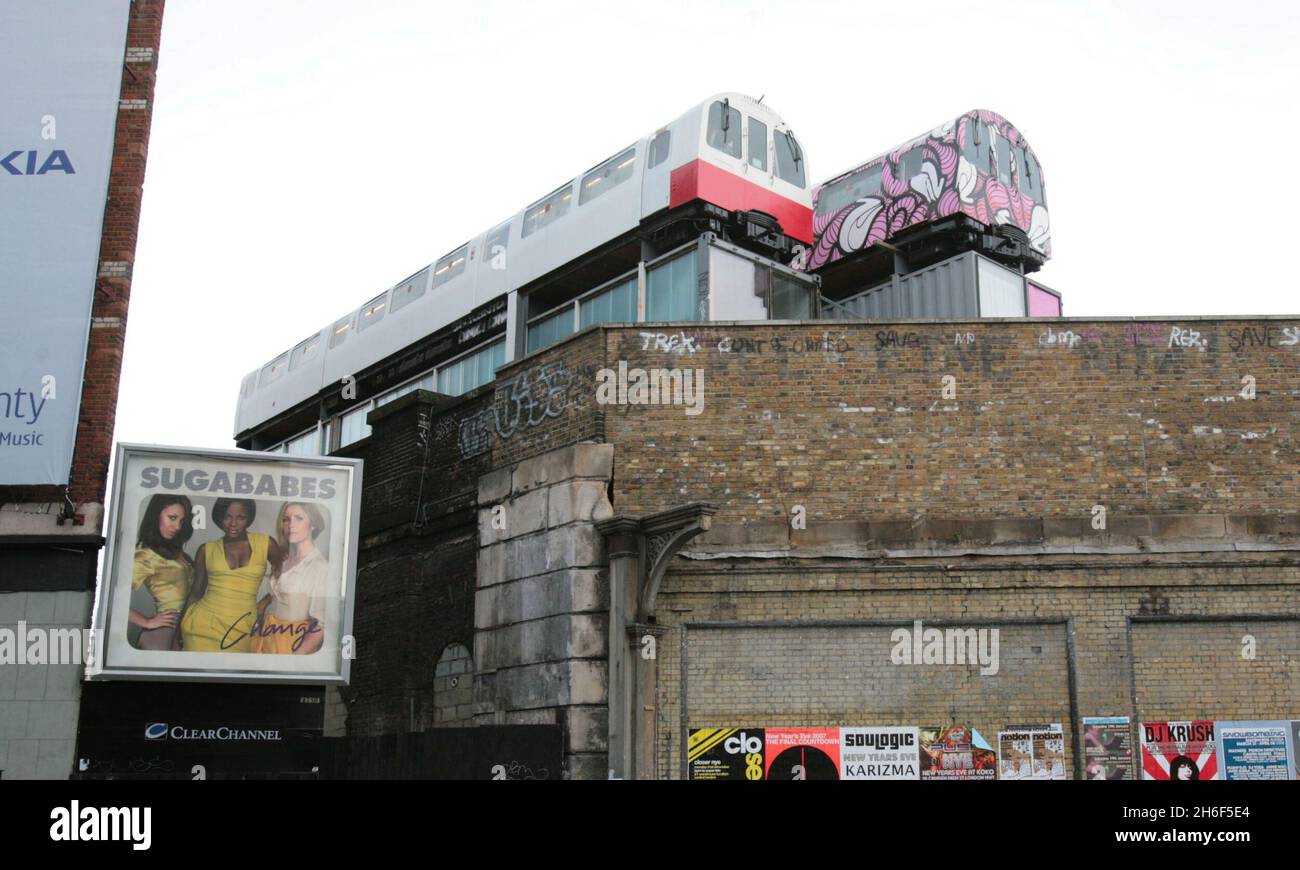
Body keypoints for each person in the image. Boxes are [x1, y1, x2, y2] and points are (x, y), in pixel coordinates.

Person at [179, 498, 280, 653]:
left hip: (244, 627)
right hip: (202, 625)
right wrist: (178, 631)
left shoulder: (266, 544)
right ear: (219, 518)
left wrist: (264, 603)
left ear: (249, 518)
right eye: (227, 517)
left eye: (241, 517)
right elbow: (196, 593)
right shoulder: (206, 550)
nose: (233, 524)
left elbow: (286, 578)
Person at [251, 502, 329, 655]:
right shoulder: (285, 560)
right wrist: (262, 605)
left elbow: (321, 626)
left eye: (299, 518)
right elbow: (281, 593)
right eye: (286, 519)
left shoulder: (320, 567)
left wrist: (294, 660)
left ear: (313, 525)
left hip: (292, 646)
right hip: (266, 640)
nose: (290, 525)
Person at [128, 495, 195, 650]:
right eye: (172, 518)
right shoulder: (144, 555)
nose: (177, 526)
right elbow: (113, 600)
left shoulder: (175, 553)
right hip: (163, 633)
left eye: (181, 521)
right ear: (156, 515)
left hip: (184, 630)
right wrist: (146, 621)